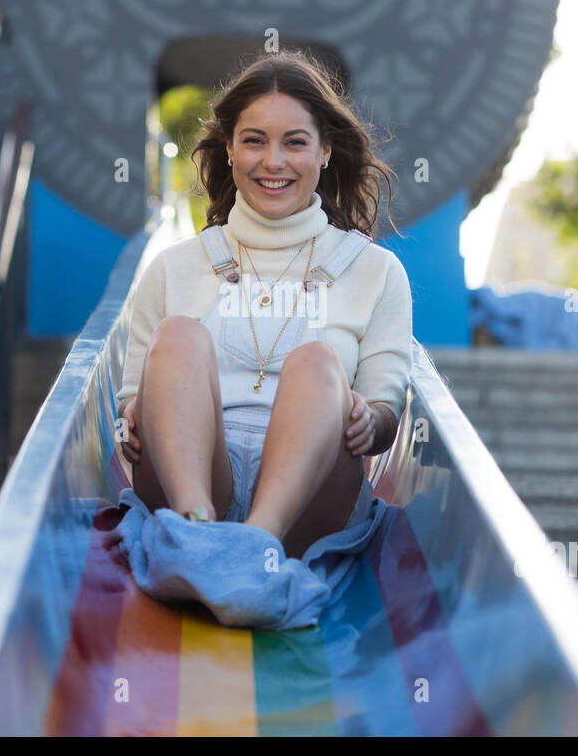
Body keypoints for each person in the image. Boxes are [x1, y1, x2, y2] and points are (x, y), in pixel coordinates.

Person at [114, 50, 413, 562]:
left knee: (318, 361)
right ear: (230, 149)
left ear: (324, 152)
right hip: (193, 475)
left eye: (295, 142)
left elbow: (388, 409)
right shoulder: (173, 267)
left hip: (310, 498)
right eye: (254, 140)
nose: (273, 161)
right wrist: (130, 418)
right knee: (179, 336)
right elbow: (132, 403)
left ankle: (259, 545)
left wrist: (371, 418)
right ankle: (193, 532)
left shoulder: (376, 272)